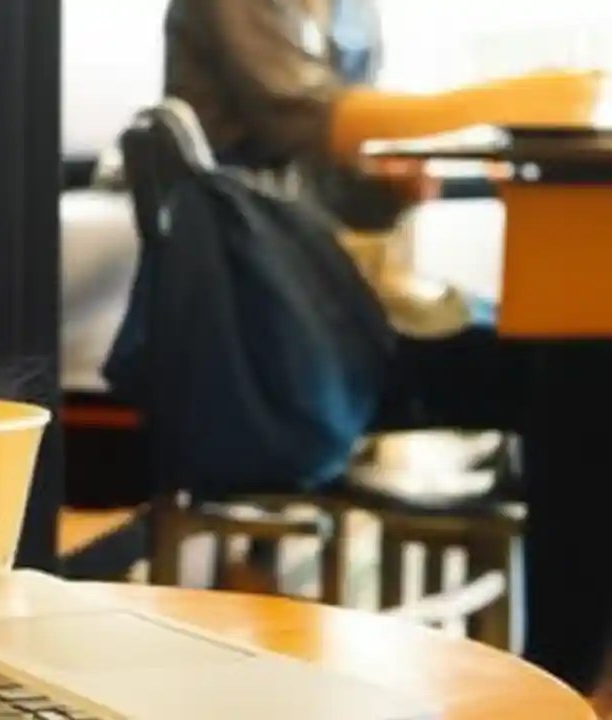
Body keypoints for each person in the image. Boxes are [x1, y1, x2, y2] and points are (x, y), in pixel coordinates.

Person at [164, 0, 610, 702]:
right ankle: (562, 679)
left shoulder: (350, 12)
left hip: (315, 302)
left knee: (570, 351)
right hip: (274, 333)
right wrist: (518, 96)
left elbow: (335, 178)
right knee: (576, 363)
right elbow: (316, 119)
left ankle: (563, 671)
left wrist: (389, 195)